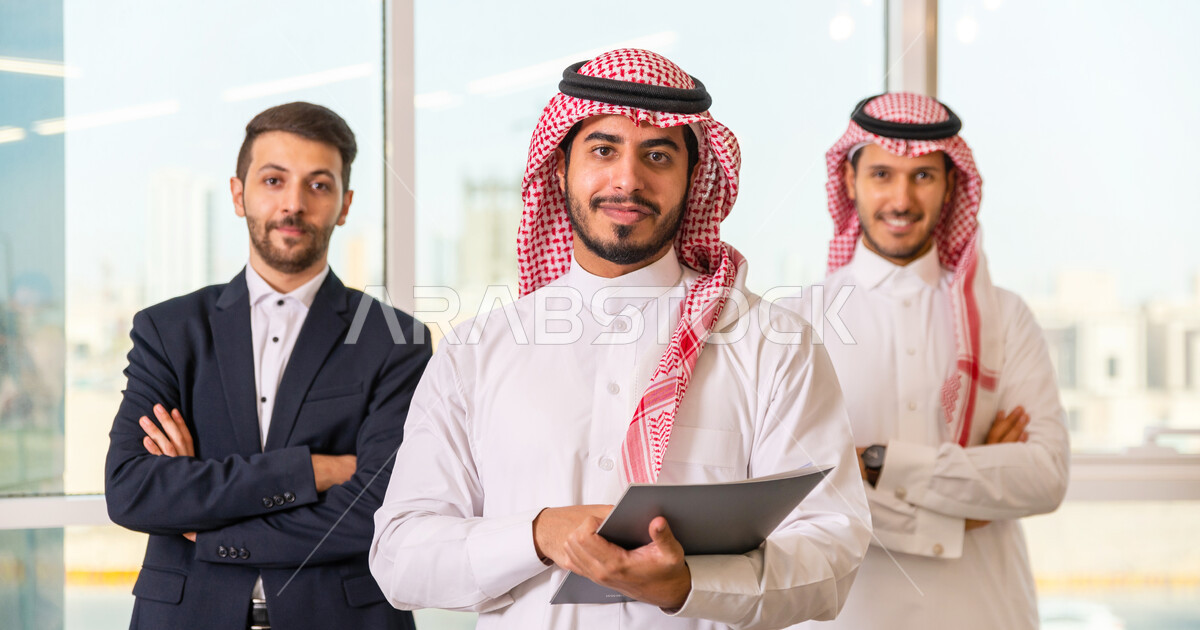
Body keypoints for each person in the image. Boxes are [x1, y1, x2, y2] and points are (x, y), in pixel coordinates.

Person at [369, 49, 870, 630]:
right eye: (604, 150)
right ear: (560, 167)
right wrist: (538, 534)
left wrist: (690, 584)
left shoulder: (773, 345)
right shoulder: (475, 353)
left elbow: (832, 550)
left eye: (657, 155)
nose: (628, 180)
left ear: (693, 179)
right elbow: (401, 560)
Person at [104, 102, 431, 630]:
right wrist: (314, 470)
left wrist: (212, 527)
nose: (294, 204)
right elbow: (133, 490)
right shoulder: (169, 330)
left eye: (318, 185)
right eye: (274, 180)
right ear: (239, 195)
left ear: (344, 205)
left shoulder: (396, 339)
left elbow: (377, 507)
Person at [789, 93, 1070, 629]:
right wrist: (965, 504)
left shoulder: (1004, 316)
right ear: (849, 181)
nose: (901, 199)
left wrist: (874, 463)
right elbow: (798, 491)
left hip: (986, 614)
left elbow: (1045, 476)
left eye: (922, 176)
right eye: (882, 175)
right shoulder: (797, 320)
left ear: (950, 185)